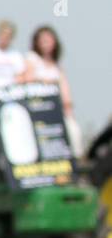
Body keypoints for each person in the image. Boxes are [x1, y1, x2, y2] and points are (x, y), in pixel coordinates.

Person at [25, 25, 82, 153]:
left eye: (49, 40)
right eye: (43, 40)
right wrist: (44, 81)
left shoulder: (57, 65)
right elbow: (25, 80)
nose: (47, 44)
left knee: (73, 132)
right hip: (38, 110)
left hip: (57, 110)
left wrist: (68, 107)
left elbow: (65, 89)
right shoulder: (32, 59)